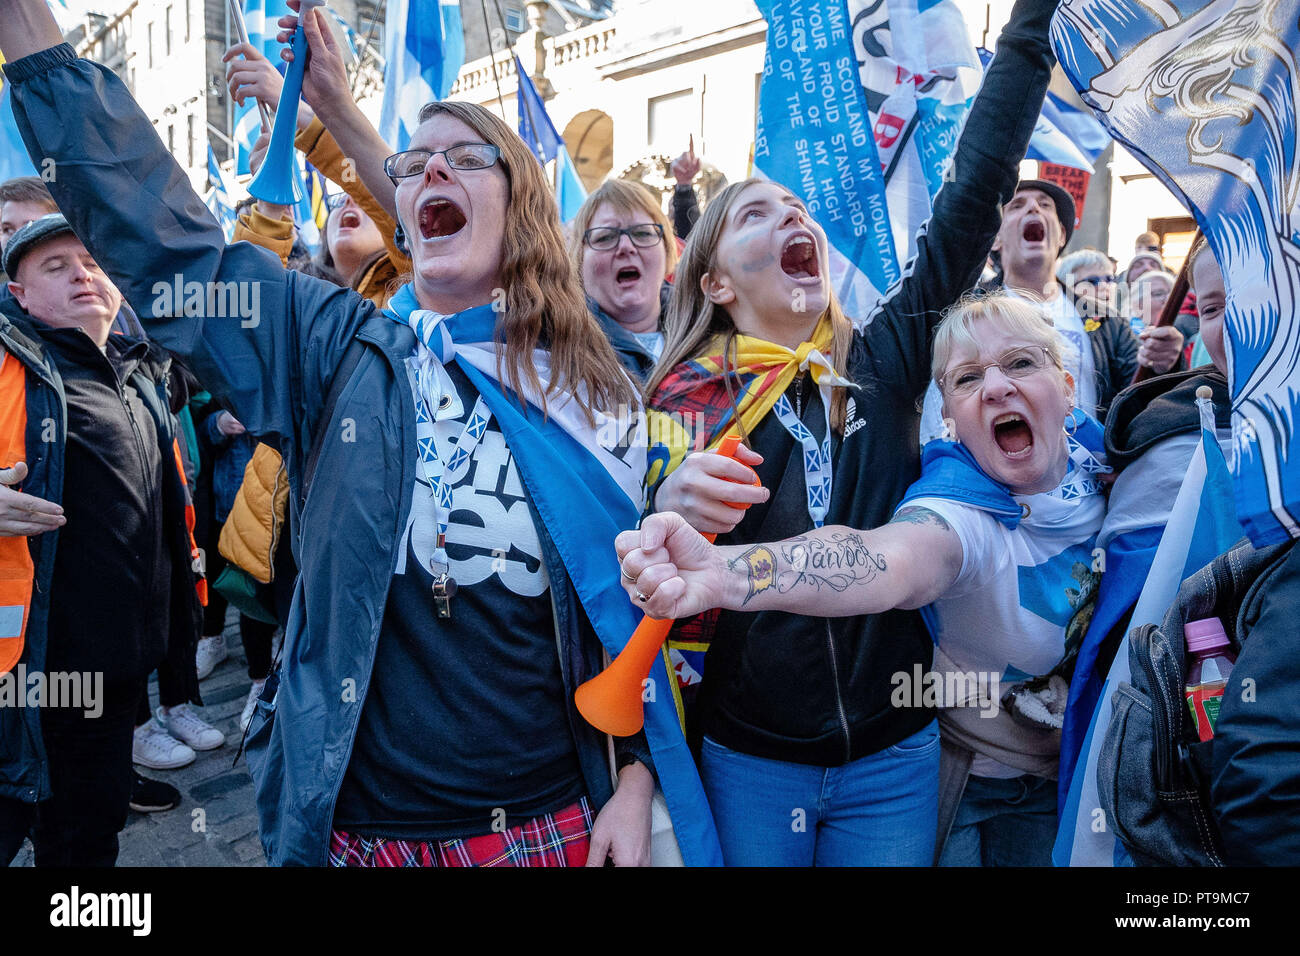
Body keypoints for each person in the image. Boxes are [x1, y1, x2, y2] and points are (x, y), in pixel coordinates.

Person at [0, 0, 720, 867]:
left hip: (550, 821)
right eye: (411, 167)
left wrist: (634, 775)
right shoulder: (337, 347)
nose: (427, 175)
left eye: (464, 160)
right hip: (365, 833)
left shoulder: (594, 386)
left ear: (523, 202)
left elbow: (629, 609)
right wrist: (32, 38)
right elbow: (172, 248)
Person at [639, 0, 1059, 866]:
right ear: (714, 282)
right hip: (750, 756)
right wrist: (662, 499)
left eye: (798, 208)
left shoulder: (888, 354)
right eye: (757, 214)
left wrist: (1033, 28)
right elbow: (631, 575)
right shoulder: (678, 402)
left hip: (894, 753)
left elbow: (975, 189)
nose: (794, 219)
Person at [622, 293, 1108, 866]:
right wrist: (725, 574)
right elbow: (882, 561)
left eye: (1022, 363)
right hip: (959, 772)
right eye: (968, 377)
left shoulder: (1113, 467)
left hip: (1065, 768)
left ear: (1069, 386)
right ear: (948, 417)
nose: (997, 388)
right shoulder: (958, 512)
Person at [0, 214, 206, 865]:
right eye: (55, 266)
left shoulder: (141, 371)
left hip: (118, 675)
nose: (81, 274)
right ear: (19, 293)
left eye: (91, 261)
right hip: (23, 678)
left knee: (88, 839)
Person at [571, 178, 678, 379]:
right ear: (579, 260)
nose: (626, 247)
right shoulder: (555, 353)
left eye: (643, 233)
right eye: (605, 237)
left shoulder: (715, 333)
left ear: (666, 248)